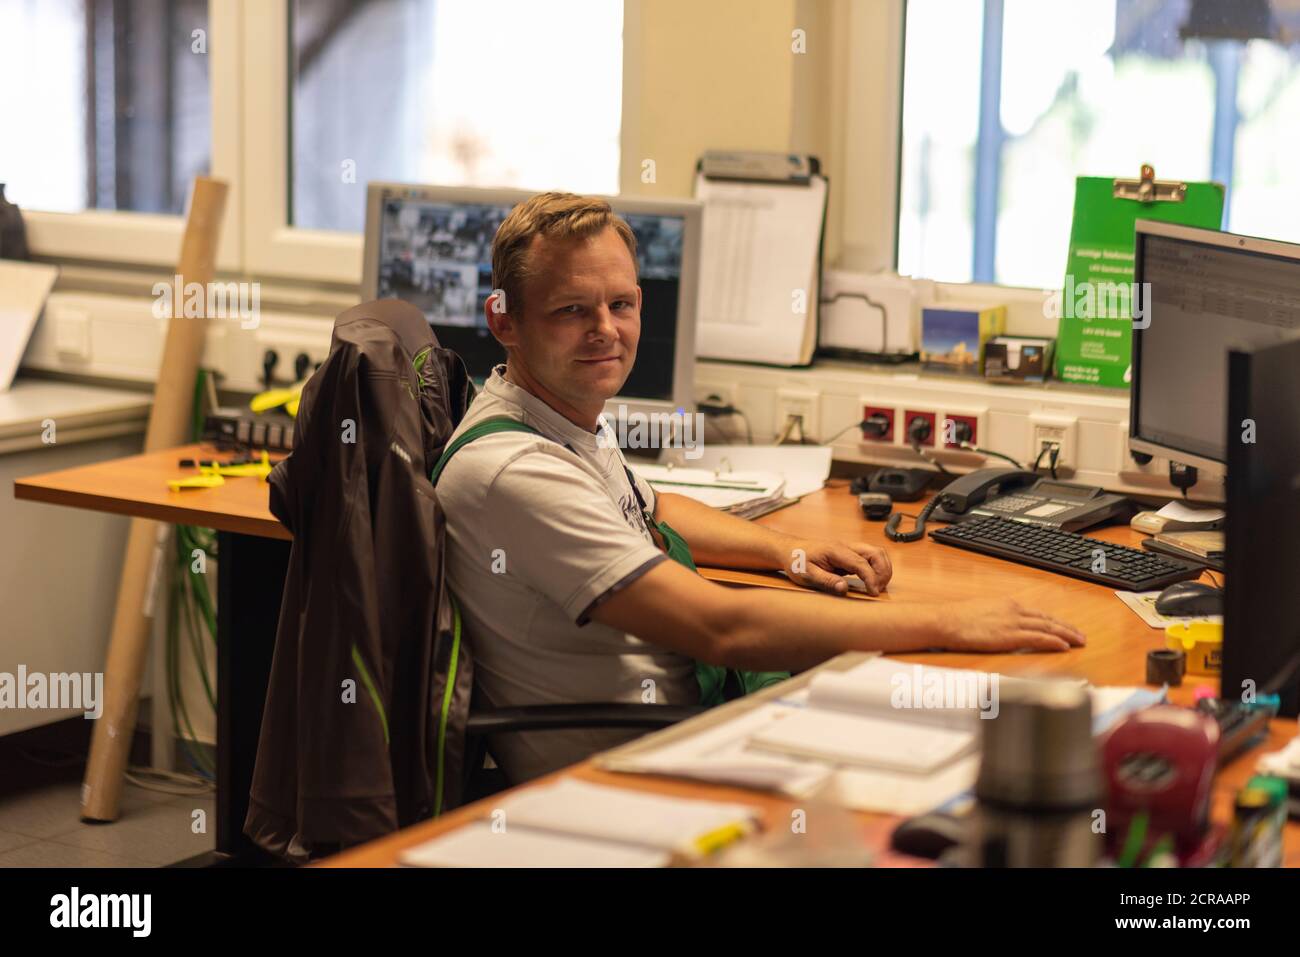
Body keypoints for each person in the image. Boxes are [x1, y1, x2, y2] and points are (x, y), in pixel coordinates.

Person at [435, 191, 1084, 783]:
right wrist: (950, 621)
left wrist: (787, 554)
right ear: (505, 323)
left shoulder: (551, 413)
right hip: (635, 763)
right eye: (572, 310)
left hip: (687, 715)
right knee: (970, 760)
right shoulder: (517, 472)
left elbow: (655, 508)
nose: (606, 328)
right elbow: (721, 627)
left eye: (621, 304)